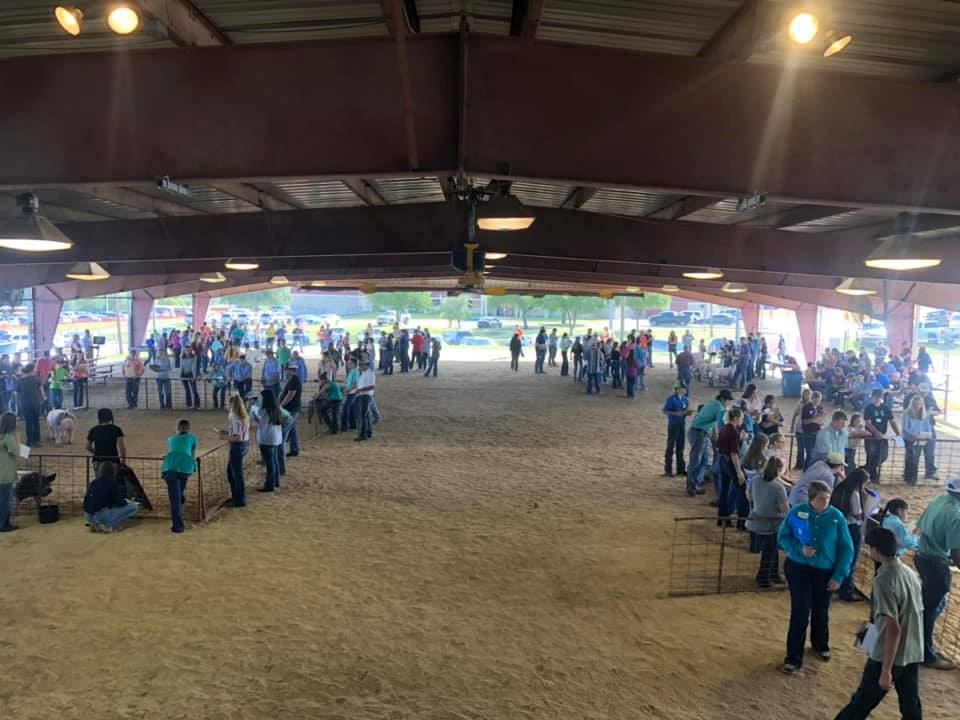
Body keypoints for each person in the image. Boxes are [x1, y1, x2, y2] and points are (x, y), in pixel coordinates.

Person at [832, 527, 924, 720]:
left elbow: (893, 629)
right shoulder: (909, 573)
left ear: (874, 550)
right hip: (913, 649)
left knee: (860, 705)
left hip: (889, 655)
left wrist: (886, 670)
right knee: (911, 706)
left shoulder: (883, 579)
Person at [778, 479, 855, 673]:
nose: (825, 502)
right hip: (799, 568)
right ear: (811, 499)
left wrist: (839, 575)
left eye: (828, 498)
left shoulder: (837, 517)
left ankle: (820, 644)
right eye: (821, 498)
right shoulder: (796, 512)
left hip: (825, 571)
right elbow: (783, 537)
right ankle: (793, 657)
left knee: (821, 610)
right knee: (800, 611)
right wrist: (799, 549)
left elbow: (846, 548)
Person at [913, 479, 960, 670]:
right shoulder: (955, 515)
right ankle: (926, 654)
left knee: (933, 605)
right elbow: (957, 553)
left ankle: (923, 646)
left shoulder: (939, 500)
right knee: (931, 609)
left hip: (923, 557)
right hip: (936, 563)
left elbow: (919, 527)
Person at [746, 456, 789, 587]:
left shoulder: (755, 479)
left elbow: (749, 496)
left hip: (755, 520)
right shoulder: (778, 487)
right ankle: (763, 578)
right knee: (769, 551)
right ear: (779, 470)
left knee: (771, 549)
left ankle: (773, 573)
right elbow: (784, 508)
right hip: (772, 524)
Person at [831, 468, 869, 602]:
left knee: (839, 555)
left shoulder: (839, 488)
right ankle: (846, 590)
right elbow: (857, 513)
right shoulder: (855, 493)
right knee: (850, 558)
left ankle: (835, 584)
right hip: (852, 527)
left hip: (838, 526)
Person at [686, 389, 733, 497]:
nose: (728, 403)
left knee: (704, 461)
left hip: (699, 432)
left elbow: (715, 426)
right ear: (722, 399)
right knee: (696, 461)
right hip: (700, 433)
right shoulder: (719, 407)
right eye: (727, 400)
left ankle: (695, 484)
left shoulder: (712, 403)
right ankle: (691, 485)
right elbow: (721, 424)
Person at [161, 418, 198, 534]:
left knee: (175, 499)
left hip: (170, 468)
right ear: (188, 428)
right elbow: (192, 454)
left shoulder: (170, 439)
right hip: (185, 468)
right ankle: (179, 519)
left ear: (177, 428)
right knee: (179, 494)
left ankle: (178, 525)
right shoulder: (193, 438)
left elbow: (172, 451)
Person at [82, 461, 138, 533]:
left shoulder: (93, 482)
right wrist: (127, 501)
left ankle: (94, 523)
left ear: (100, 471)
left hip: (88, 515)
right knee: (133, 507)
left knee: (104, 507)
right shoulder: (111, 483)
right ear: (113, 472)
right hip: (101, 514)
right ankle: (107, 524)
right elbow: (120, 503)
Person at [217, 394, 250, 508]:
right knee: (233, 472)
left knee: (235, 474)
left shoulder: (234, 417)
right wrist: (227, 432)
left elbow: (237, 438)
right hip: (244, 445)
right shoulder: (243, 416)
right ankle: (237, 497)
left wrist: (224, 437)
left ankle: (239, 500)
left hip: (237, 446)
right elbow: (239, 434)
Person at [716, 407, 747, 524]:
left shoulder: (724, 428)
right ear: (736, 418)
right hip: (730, 462)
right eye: (741, 418)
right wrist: (739, 472)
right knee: (741, 488)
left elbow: (719, 445)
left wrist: (740, 440)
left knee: (724, 490)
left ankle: (722, 518)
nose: (742, 421)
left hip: (722, 460)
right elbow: (734, 453)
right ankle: (741, 521)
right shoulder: (733, 431)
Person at [864, 389, 900, 484]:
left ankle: (867, 471)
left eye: (879, 397)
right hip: (871, 436)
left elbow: (892, 421)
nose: (877, 399)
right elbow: (867, 423)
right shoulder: (868, 408)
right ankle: (873, 477)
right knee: (871, 454)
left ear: (882, 398)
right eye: (875, 397)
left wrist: (898, 434)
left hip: (883, 436)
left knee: (883, 455)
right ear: (872, 397)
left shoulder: (886, 408)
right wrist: (876, 432)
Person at [252, 390, 283, 492]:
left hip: (267, 439)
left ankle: (269, 485)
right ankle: (276, 481)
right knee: (274, 461)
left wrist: (255, 418)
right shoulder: (277, 409)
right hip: (276, 439)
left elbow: (261, 426)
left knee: (270, 463)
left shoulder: (265, 410)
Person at [901, 394, 932, 486]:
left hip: (921, 439)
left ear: (922, 404)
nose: (917, 406)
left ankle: (910, 477)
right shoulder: (907, 413)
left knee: (915, 458)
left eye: (919, 404)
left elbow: (928, 427)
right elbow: (905, 428)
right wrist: (912, 435)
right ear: (912, 404)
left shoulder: (925, 415)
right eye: (915, 404)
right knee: (911, 457)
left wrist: (928, 435)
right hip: (909, 438)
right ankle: (911, 478)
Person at [662, 381, 690, 477]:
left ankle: (681, 469)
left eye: (684, 388)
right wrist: (676, 413)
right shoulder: (671, 399)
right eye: (681, 388)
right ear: (676, 389)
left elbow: (684, 410)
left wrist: (686, 413)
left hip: (681, 423)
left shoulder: (686, 399)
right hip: (673, 423)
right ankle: (668, 470)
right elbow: (665, 411)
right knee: (670, 446)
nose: (683, 390)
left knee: (680, 446)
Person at [86, 408, 126, 473]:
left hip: (98, 460)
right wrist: (123, 460)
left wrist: (96, 453)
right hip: (113, 459)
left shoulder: (94, 430)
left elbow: (88, 447)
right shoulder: (116, 429)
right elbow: (122, 447)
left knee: (100, 481)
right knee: (113, 481)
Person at [17, 363, 44, 447]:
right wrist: (43, 399)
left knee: (28, 423)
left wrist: (19, 402)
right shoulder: (36, 379)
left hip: (25, 404)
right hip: (35, 403)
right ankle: (37, 440)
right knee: (36, 422)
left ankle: (30, 441)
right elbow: (41, 391)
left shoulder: (20, 380)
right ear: (32, 370)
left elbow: (17, 394)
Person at [279, 363, 302, 459]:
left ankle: (282, 452)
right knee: (292, 430)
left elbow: (290, 395)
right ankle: (294, 450)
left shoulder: (294, 380)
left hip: (291, 409)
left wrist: (280, 405)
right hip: (291, 409)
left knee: (285, 430)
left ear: (290, 370)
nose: (285, 371)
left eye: (286, 369)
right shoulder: (293, 379)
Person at [0, 412, 18, 532]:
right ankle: (3, 524)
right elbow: (16, 453)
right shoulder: (8, 437)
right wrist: (18, 438)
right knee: (5, 500)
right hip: (6, 473)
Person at [801, 391, 827, 470]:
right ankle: (806, 471)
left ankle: (811, 470)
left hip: (817, 432)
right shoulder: (806, 407)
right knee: (810, 454)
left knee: (816, 454)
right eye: (815, 400)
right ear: (811, 399)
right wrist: (815, 419)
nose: (817, 402)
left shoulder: (820, 408)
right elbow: (805, 421)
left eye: (818, 401)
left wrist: (816, 420)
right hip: (808, 432)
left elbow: (822, 421)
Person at [790, 388, 812, 470]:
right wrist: (792, 426)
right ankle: (799, 464)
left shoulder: (812, 405)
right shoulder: (799, 404)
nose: (807, 396)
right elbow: (795, 415)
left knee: (808, 449)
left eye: (808, 394)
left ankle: (806, 465)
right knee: (800, 448)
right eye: (805, 394)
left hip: (808, 430)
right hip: (799, 428)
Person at [356, 359, 376, 441]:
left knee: (363, 415)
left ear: (366, 365)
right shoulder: (363, 373)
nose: (360, 366)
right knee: (366, 415)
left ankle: (363, 434)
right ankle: (368, 432)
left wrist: (360, 390)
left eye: (361, 365)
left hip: (366, 395)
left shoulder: (370, 374)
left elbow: (372, 386)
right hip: (362, 395)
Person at [179, 345, 200, 410]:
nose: (187, 351)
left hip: (191, 374)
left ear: (190, 350)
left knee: (194, 390)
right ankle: (189, 405)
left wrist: (194, 376)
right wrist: (180, 375)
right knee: (187, 390)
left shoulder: (194, 357)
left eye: (188, 350)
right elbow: (181, 367)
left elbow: (194, 367)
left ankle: (197, 405)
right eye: (186, 350)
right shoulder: (182, 357)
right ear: (184, 351)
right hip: (184, 374)